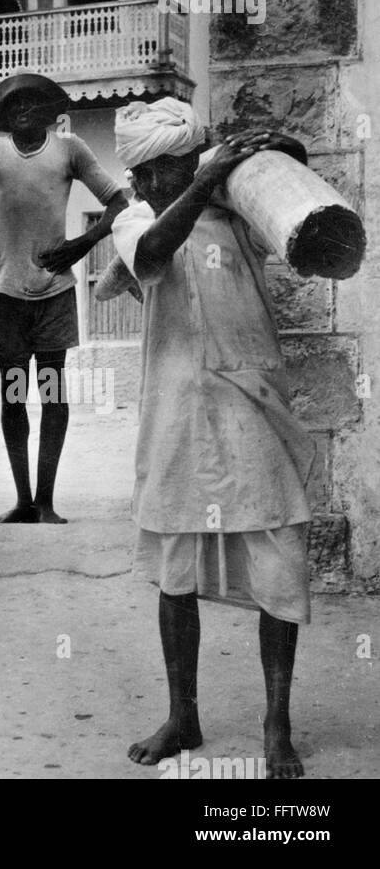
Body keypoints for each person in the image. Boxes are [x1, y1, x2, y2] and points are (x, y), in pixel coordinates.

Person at [110, 98, 314, 779]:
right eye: (145, 173)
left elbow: (295, 180)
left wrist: (251, 154)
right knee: (175, 566)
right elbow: (154, 249)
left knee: (278, 557)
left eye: (165, 170)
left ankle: (276, 724)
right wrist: (201, 182)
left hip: (251, 403)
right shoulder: (137, 219)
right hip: (178, 411)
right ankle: (183, 713)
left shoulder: (236, 211)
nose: (147, 184)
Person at [0, 69, 128, 524]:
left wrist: (82, 244)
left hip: (54, 291)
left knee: (53, 396)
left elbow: (118, 203)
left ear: (47, 111)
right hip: (6, 294)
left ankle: (46, 501)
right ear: (4, 115)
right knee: (14, 396)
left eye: (32, 104)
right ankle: (21, 500)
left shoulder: (69, 149)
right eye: (13, 105)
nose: (23, 111)